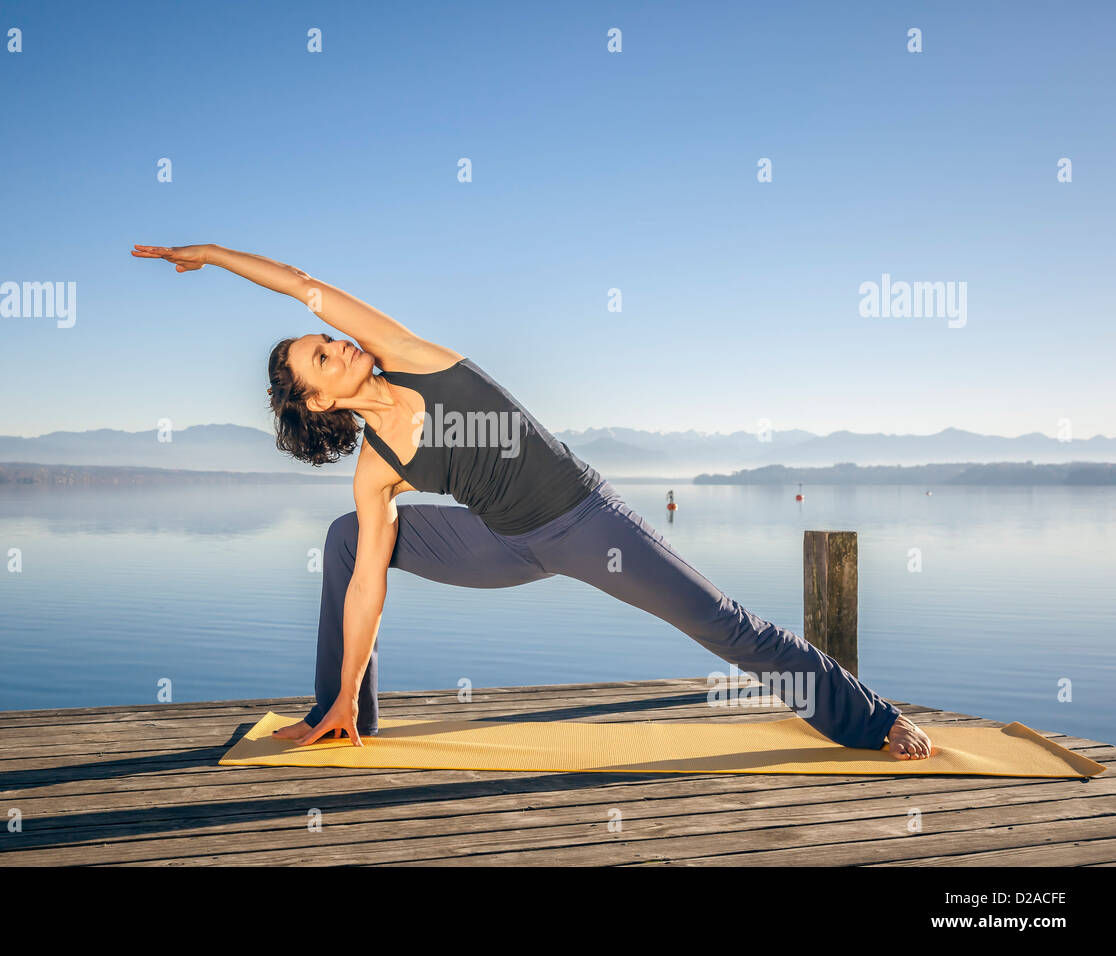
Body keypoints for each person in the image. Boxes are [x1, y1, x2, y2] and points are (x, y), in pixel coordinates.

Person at [132, 242, 932, 760]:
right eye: (320, 355)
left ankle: (867, 719)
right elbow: (368, 586)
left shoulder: (411, 357)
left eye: (327, 339)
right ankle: (343, 710)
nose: (337, 344)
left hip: (588, 523)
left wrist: (209, 255)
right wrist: (347, 683)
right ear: (316, 402)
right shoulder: (374, 469)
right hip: (502, 544)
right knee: (351, 538)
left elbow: (305, 286)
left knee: (722, 624)